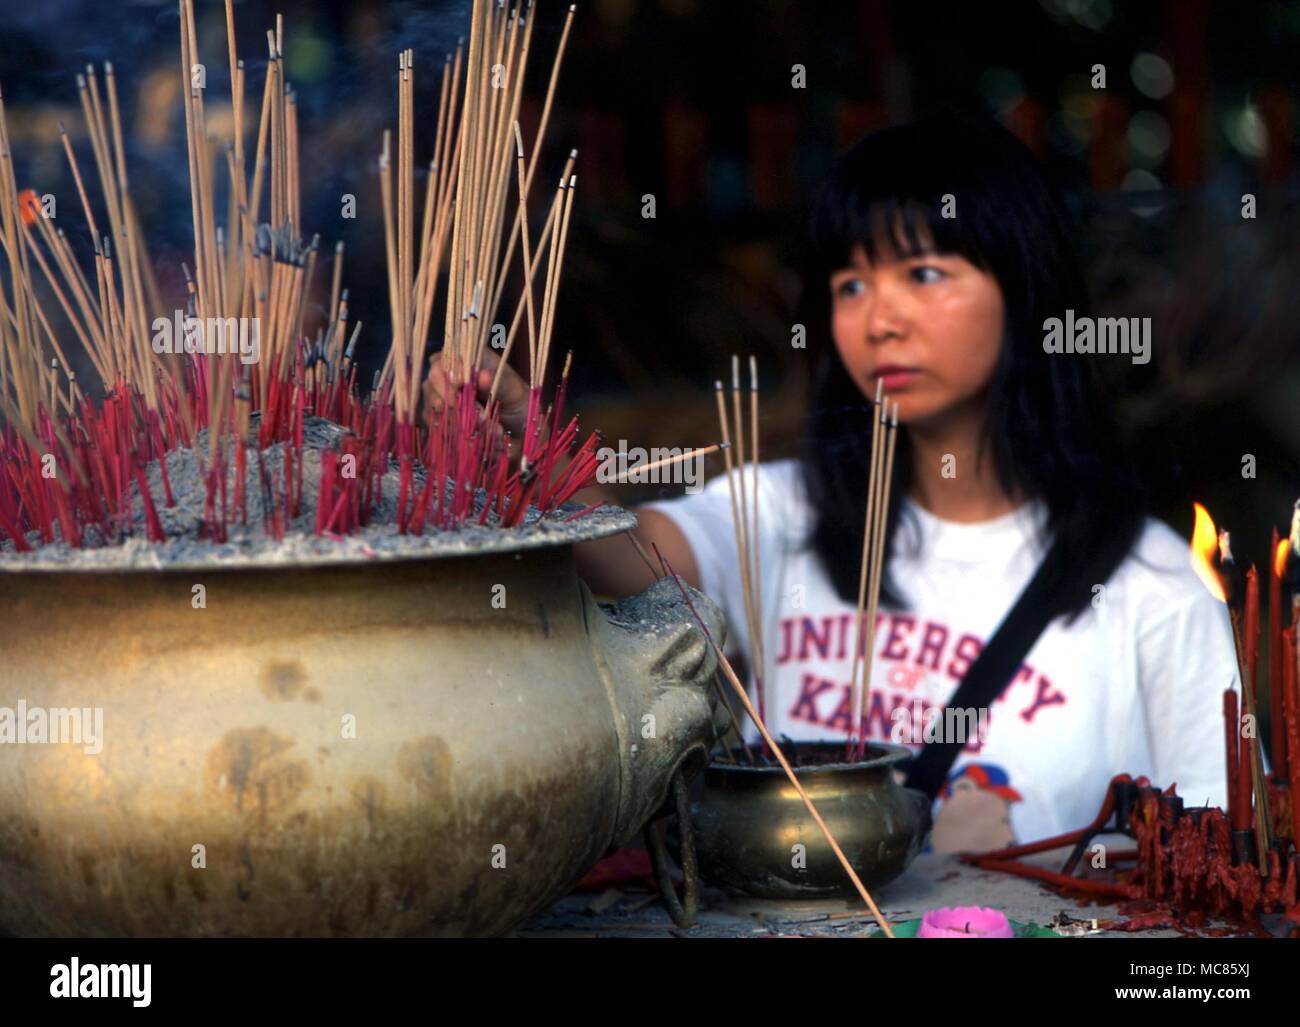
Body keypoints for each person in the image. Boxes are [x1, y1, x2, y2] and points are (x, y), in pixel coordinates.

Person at [427, 112, 1237, 851]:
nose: (878, 318)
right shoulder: (783, 511)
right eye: (850, 285)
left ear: (1025, 289)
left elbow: (1218, 866)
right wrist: (526, 442)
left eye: (922, 273)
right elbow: (627, 561)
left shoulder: (1152, 586)